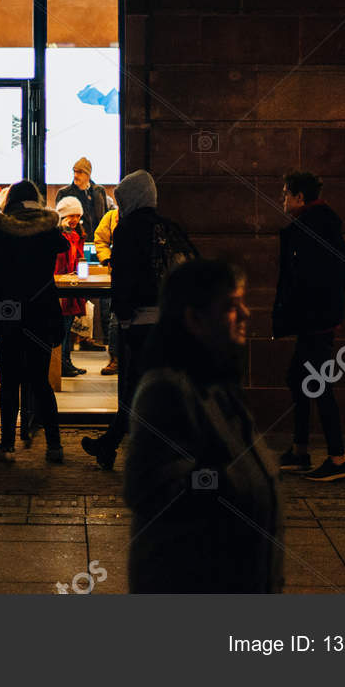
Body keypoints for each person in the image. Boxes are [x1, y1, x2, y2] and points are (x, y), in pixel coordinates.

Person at [124, 261, 281, 593]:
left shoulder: (216, 383)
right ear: (194, 318)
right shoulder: (166, 390)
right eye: (230, 306)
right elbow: (153, 492)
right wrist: (225, 482)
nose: (246, 314)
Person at [82, 170, 199, 471]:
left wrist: (121, 316)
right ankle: (112, 446)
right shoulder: (169, 228)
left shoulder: (127, 229)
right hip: (172, 321)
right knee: (150, 388)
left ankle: (128, 449)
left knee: (138, 388)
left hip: (140, 322)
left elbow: (124, 278)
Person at [274, 170, 345, 482]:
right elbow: (344, 275)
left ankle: (338, 458)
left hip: (315, 322)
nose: (282, 200)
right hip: (319, 319)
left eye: (285, 194)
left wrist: (297, 311)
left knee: (317, 383)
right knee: (298, 378)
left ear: (299, 197)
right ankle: (300, 450)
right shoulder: (322, 225)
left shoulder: (311, 228)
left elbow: (305, 279)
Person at [0, 179, 67, 464]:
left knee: (9, 381)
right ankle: (54, 445)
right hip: (42, 311)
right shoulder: (48, 229)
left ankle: (7, 444)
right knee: (40, 381)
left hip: (10, 310)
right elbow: (63, 245)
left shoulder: (1, 229)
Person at [54, 196, 88, 377]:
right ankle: (63, 364)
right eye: (70, 215)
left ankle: (66, 362)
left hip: (72, 286)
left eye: (77, 215)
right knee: (63, 328)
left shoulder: (76, 236)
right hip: (61, 288)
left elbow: (78, 259)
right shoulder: (60, 236)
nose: (74, 219)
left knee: (68, 326)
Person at [91, 206, 120, 373]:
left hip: (140, 274)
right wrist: (106, 258)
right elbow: (100, 239)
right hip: (118, 273)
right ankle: (115, 358)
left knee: (116, 317)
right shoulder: (112, 216)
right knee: (115, 318)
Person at [57, 157, 111, 238]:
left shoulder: (99, 191)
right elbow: (60, 222)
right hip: (75, 241)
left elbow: (106, 217)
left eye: (79, 172)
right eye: (74, 171)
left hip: (98, 240)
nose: (75, 175)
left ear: (88, 175)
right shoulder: (64, 193)